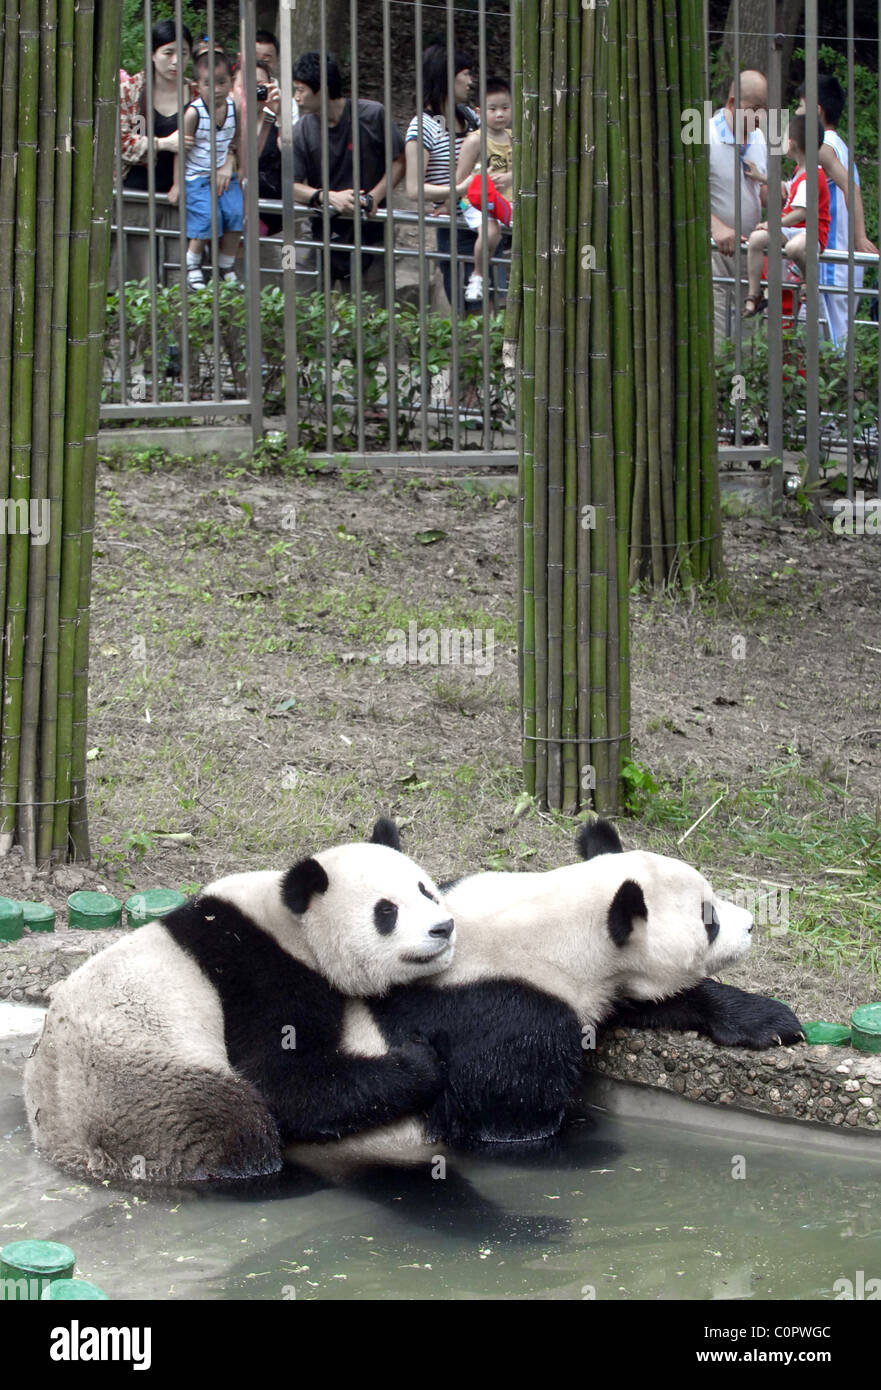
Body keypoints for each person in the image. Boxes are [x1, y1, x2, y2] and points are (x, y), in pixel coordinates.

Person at [291, 51, 405, 303]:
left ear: (322, 89)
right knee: (301, 304)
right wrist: (327, 197)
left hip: (370, 231)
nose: (296, 97)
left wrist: (375, 196)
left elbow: (398, 161)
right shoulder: (301, 130)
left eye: (301, 90)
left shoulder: (373, 115)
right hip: (319, 230)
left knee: (371, 311)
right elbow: (290, 186)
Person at [795, 74, 878, 345]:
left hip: (830, 262)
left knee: (827, 346)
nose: (796, 112)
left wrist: (860, 238)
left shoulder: (822, 147)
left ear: (817, 110)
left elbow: (849, 188)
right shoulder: (839, 145)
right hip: (841, 262)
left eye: (800, 105)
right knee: (835, 344)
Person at [114, 19, 194, 288]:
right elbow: (121, 142)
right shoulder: (131, 91)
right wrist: (162, 144)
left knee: (178, 279)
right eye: (168, 53)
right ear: (152, 53)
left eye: (182, 53)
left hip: (182, 198)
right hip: (137, 193)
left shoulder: (196, 93)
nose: (175, 61)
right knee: (136, 278)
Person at [405, 45, 481, 311]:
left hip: (487, 225)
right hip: (456, 230)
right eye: (466, 74)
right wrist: (458, 189)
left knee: (495, 310)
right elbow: (414, 189)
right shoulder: (423, 126)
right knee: (472, 312)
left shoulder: (469, 117)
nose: (471, 82)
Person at [742, 115, 830, 317]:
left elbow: (801, 213)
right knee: (756, 240)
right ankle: (754, 294)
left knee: (794, 247)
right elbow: (788, 189)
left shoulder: (813, 177)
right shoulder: (802, 171)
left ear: (791, 144)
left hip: (811, 233)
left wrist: (772, 224)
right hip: (793, 230)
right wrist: (760, 177)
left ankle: (808, 279)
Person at [169, 51, 244, 289]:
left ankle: (226, 265)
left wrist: (239, 170)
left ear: (230, 82)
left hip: (224, 174)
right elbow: (181, 149)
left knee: (235, 214)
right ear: (197, 86)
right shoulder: (193, 113)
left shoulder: (234, 108)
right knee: (208, 216)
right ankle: (192, 263)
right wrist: (178, 183)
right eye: (209, 84)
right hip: (196, 176)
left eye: (222, 82)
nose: (217, 89)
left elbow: (238, 139)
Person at [708, 70, 768, 340]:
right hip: (714, 254)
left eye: (764, 108)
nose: (759, 117)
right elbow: (685, 197)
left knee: (749, 341)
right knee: (718, 337)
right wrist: (716, 228)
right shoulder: (705, 135)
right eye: (753, 108)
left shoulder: (759, 139)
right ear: (732, 103)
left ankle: (747, 382)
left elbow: (762, 196)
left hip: (750, 256)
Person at [455, 75, 513, 303]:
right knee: (491, 231)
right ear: (479, 112)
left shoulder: (514, 139)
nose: (500, 114)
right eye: (493, 109)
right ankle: (478, 275)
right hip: (476, 199)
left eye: (505, 108)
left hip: (505, 198)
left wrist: (509, 177)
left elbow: (522, 172)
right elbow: (460, 180)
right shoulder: (474, 141)